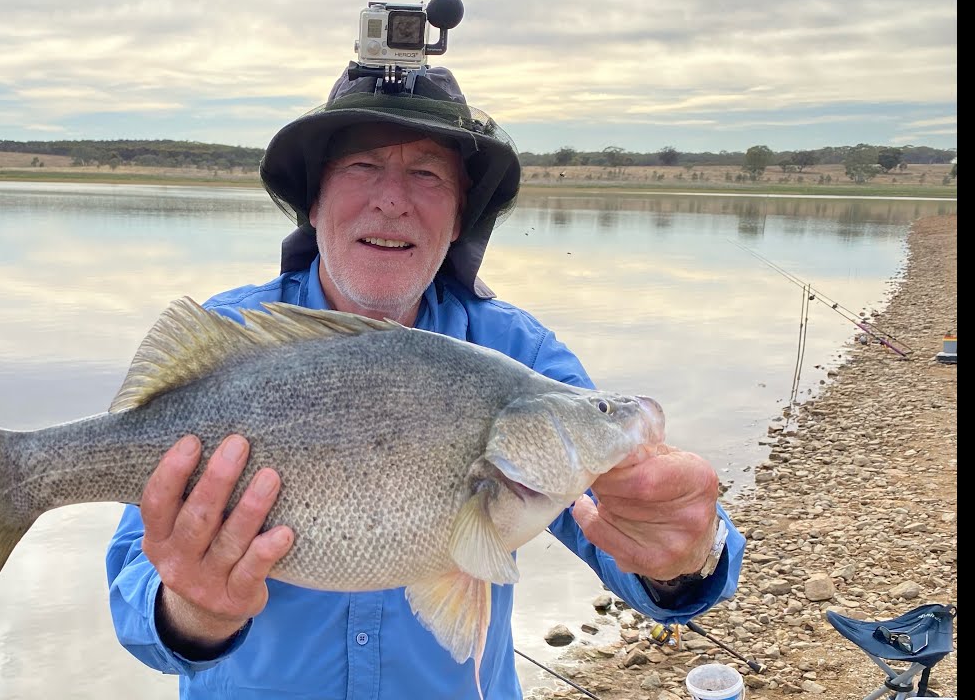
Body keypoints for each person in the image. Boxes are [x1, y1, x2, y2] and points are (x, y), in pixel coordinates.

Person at [106, 65, 745, 699]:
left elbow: (620, 534)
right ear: (315, 201)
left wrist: (686, 554)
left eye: (427, 174)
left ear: (461, 215)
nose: (392, 200)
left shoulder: (518, 354)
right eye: (362, 166)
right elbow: (133, 596)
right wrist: (192, 613)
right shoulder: (231, 342)